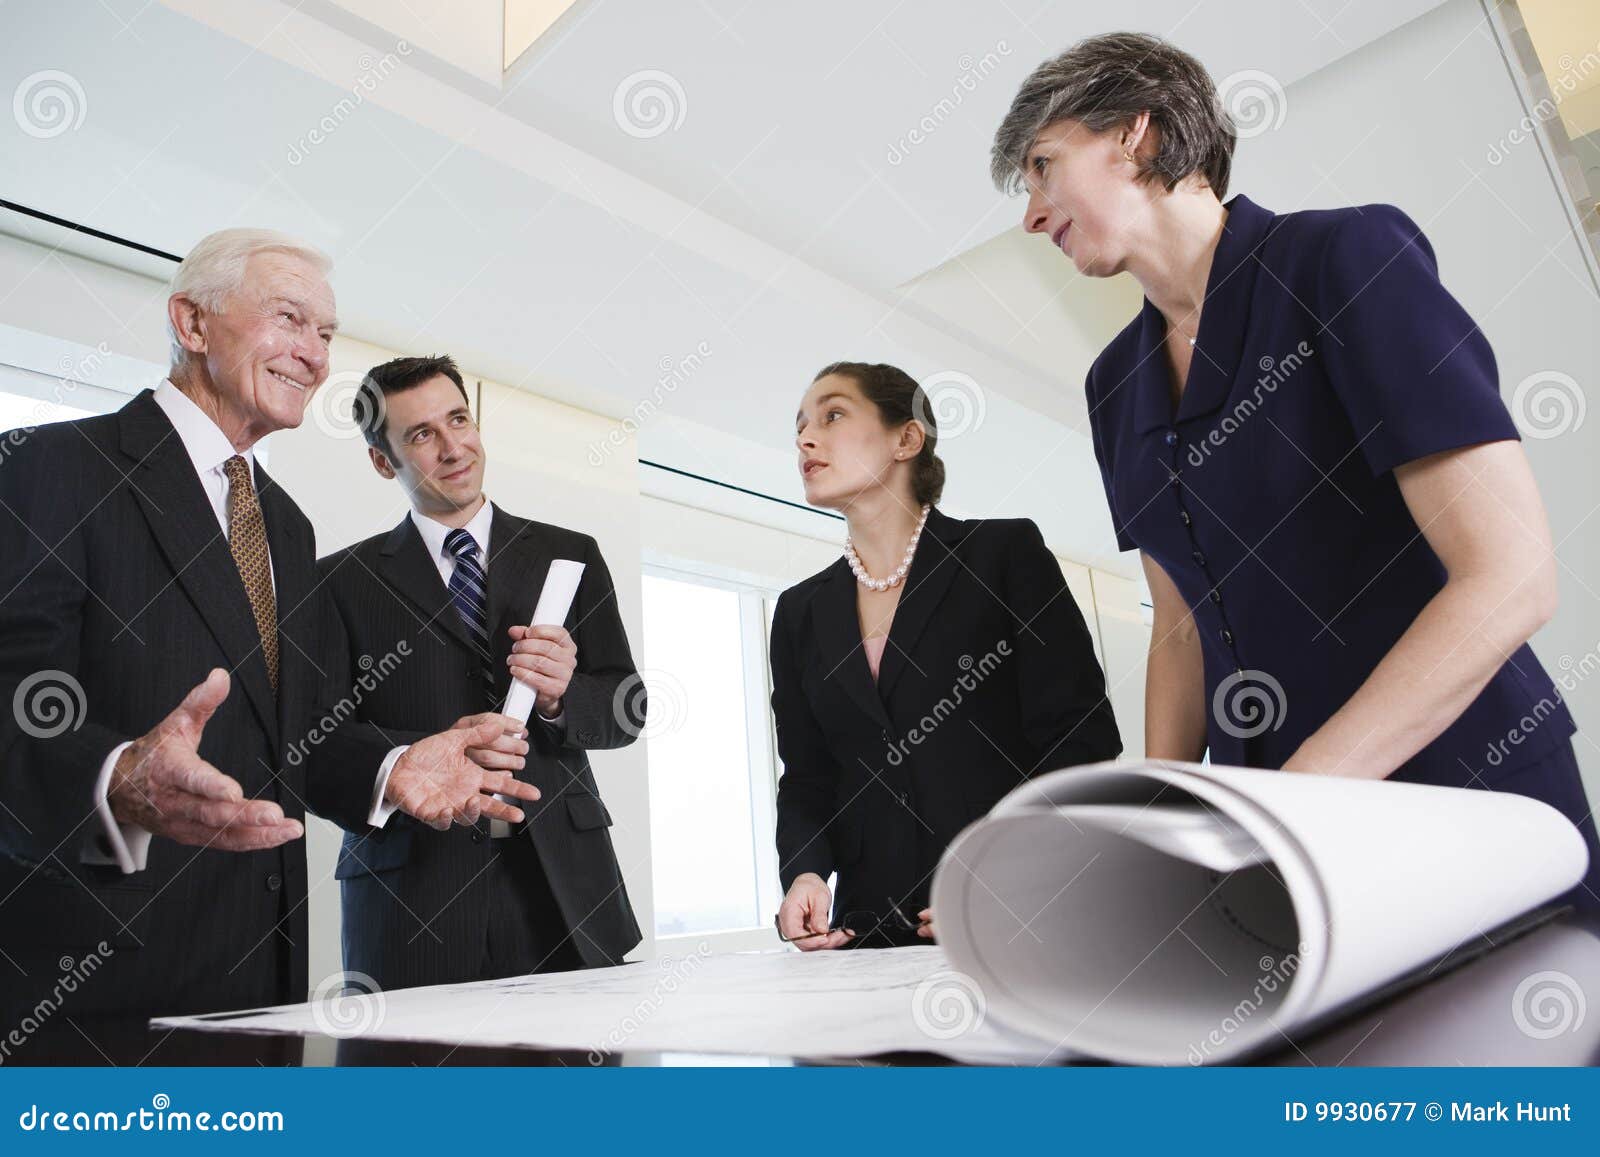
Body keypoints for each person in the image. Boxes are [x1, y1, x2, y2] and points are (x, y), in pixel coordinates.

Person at [991, 32, 1599, 913]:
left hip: (1465, 796)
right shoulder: (1112, 384)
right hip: (1279, 836)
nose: (1032, 212)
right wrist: (1163, 820)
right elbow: (1180, 626)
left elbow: (1512, 579)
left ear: (1136, 135)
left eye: (1044, 166)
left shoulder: (1344, 260)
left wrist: (1298, 799)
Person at [0, 230, 527, 1024]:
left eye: (326, 334)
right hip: (99, 979)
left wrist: (393, 770)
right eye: (290, 318)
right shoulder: (51, 465)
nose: (314, 355)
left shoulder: (286, 523)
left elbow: (299, 726)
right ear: (192, 322)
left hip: (265, 971)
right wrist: (115, 774)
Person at [306, 355, 645, 988]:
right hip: (411, 894)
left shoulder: (569, 556)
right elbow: (314, 743)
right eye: (421, 434)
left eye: (458, 419)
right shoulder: (335, 583)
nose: (453, 446)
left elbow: (628, 707)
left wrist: (562, 697)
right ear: (384, 461)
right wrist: (405, 764)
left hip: (566, 887)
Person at [771, 361, 1121, 949]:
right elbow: (808, 777)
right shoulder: (798, 611)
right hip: (868, 933)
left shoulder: (1003, 554)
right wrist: (805, 872)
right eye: (800, 426)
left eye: (832, 415)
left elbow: (1079, 739)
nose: (806, 438)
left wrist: (1018, 873)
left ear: (907, 437)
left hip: (1019, 923)